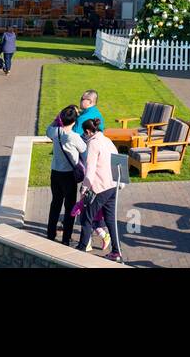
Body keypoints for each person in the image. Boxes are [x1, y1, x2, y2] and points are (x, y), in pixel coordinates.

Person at [75, 118, 122, 262]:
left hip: (100, 188)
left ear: (88, 131)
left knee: (87, 218)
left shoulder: (93, 144)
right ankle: (116, 251)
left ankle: (81, 249)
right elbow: (118, 160)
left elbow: (90, 168)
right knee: (110, 220)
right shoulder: (107, 140)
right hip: (113, 186)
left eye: (85, 133)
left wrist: (84, 188)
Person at [45, 105, 86, 244]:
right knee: (70, 206)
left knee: (55, 203)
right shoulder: (74, 137)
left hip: (55, 173)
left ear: (61, 118)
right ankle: (66, 238)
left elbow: (48, 129)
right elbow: (84, 149)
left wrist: (57, 118)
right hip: (69, 176)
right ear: (75, 121)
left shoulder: (55, 132)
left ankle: (50, 234)